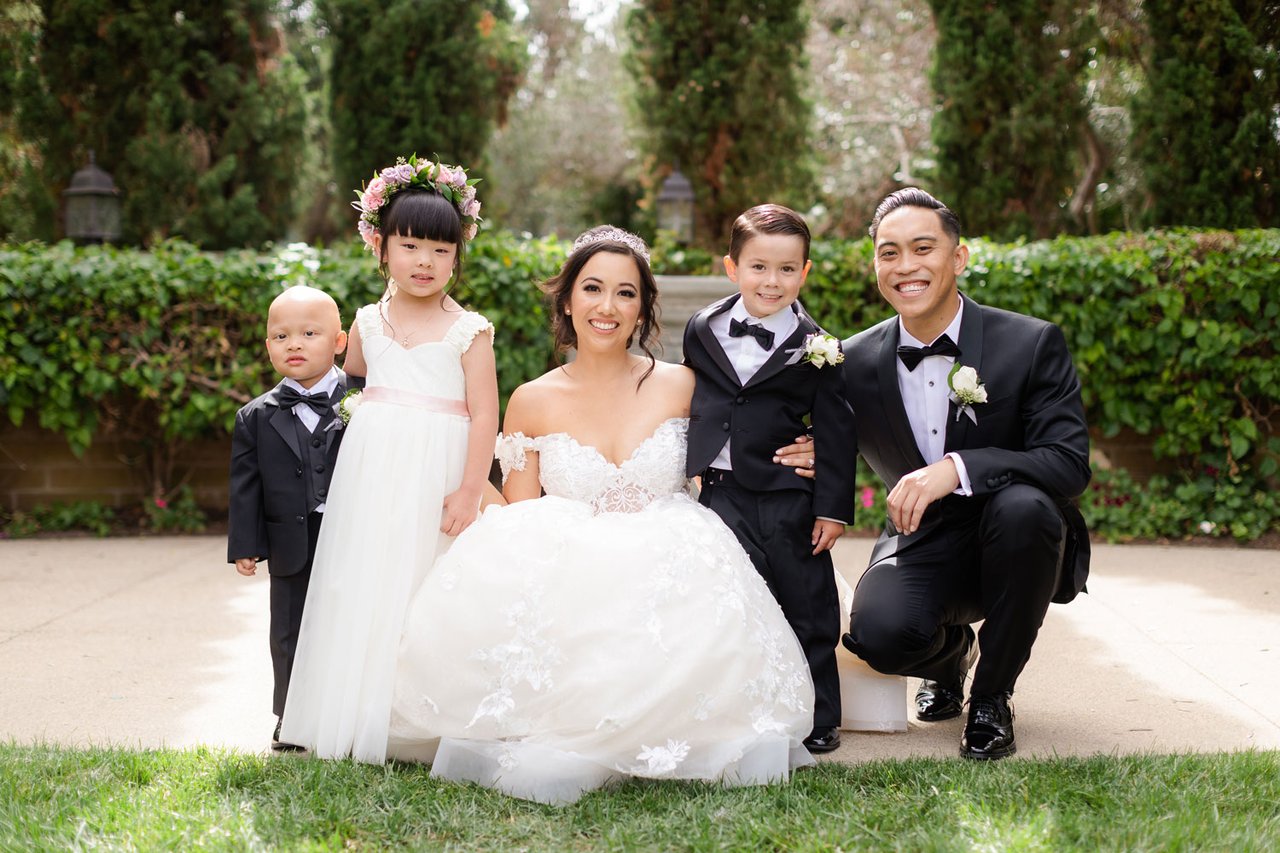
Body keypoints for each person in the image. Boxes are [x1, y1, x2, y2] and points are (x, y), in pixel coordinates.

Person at [386, 226, 817, 805]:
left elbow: (756, 434)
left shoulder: (685, 385)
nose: (607, 307)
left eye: (625, 293)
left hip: (676, 567)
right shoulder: (531, 399)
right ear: (567, 300)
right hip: (572, 575)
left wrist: (812, 448)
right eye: (592, 288)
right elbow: (520, 515)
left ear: (642, 308)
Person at [780, 187, 1091, 760]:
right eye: (889, 253)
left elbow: (1068, 464)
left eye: (923, 248)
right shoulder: (853, 361)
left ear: (959, 257)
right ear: (876, 266)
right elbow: (812, 429)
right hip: (920, 538)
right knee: (879, 637)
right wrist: (805, 453)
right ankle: (952, 661)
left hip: (1018, 538)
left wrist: (957, 468)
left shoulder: (1029, 343)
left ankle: (992, 697)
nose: (906, 266)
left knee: (1024, 510)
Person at [278, 156, 499, 763]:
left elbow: (485, 414)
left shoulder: (470, 330)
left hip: (438, 469)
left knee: (428, 580)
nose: (425, 262)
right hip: (372, 474)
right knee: (364, 577)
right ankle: (353, 708)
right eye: (410, 246)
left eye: (440, 250)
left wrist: (469, 490)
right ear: (380, 246)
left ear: (457, 255)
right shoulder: (367, 322)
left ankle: (421, 718)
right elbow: (352, 381)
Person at [682, 204, 859, 755]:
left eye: (786, 269)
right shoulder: (703, 328)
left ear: (804, 272)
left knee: (807, 603)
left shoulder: (820, 346)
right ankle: (747, 708)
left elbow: (837, 430)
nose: (772, 281)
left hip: (788, 496)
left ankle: (821, 714)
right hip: (720, 491)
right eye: (758, 267)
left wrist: (831, 508)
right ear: (732, 267)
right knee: (738, 600)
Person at [227, 285, 354, 750]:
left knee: (350, 621)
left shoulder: (365, 400)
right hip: (289, 543)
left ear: (339, 341)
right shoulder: (255, 416)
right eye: (281, 337)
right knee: (287, 631)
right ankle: (291, 716)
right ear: (268, 347)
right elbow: (246, 486)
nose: (294, 344)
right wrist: (246, 545)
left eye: (309, 334)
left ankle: (348, 711)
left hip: (353, 534)